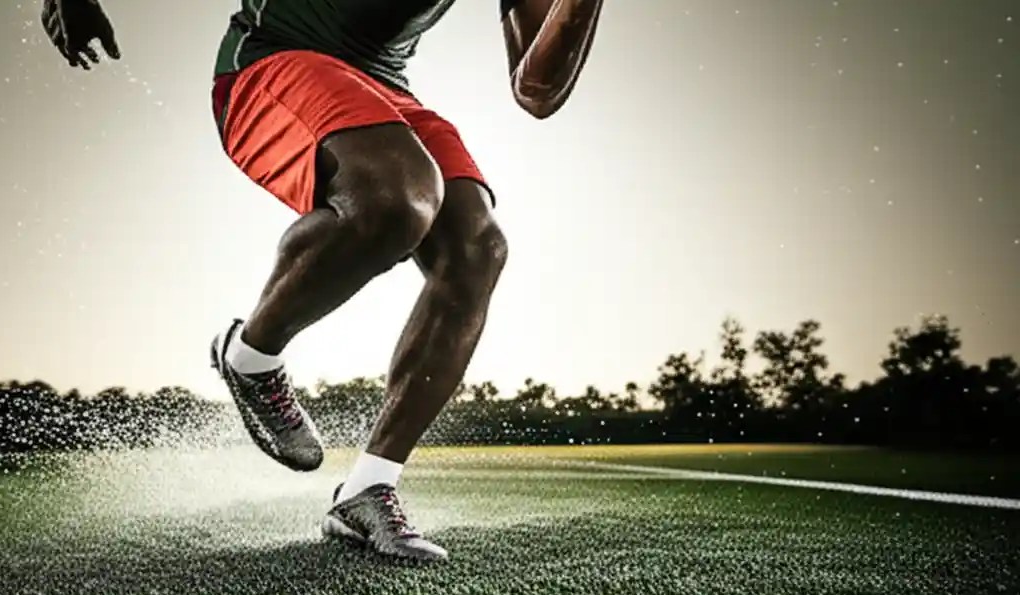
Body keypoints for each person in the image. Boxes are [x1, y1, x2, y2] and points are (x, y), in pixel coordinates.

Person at [42, 0, 606, 562]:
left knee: (478, 249)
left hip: (384, 89)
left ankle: (367, 489)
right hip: (270, 63)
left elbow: (537, 89)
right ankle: (251, 356)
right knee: (396, 196)